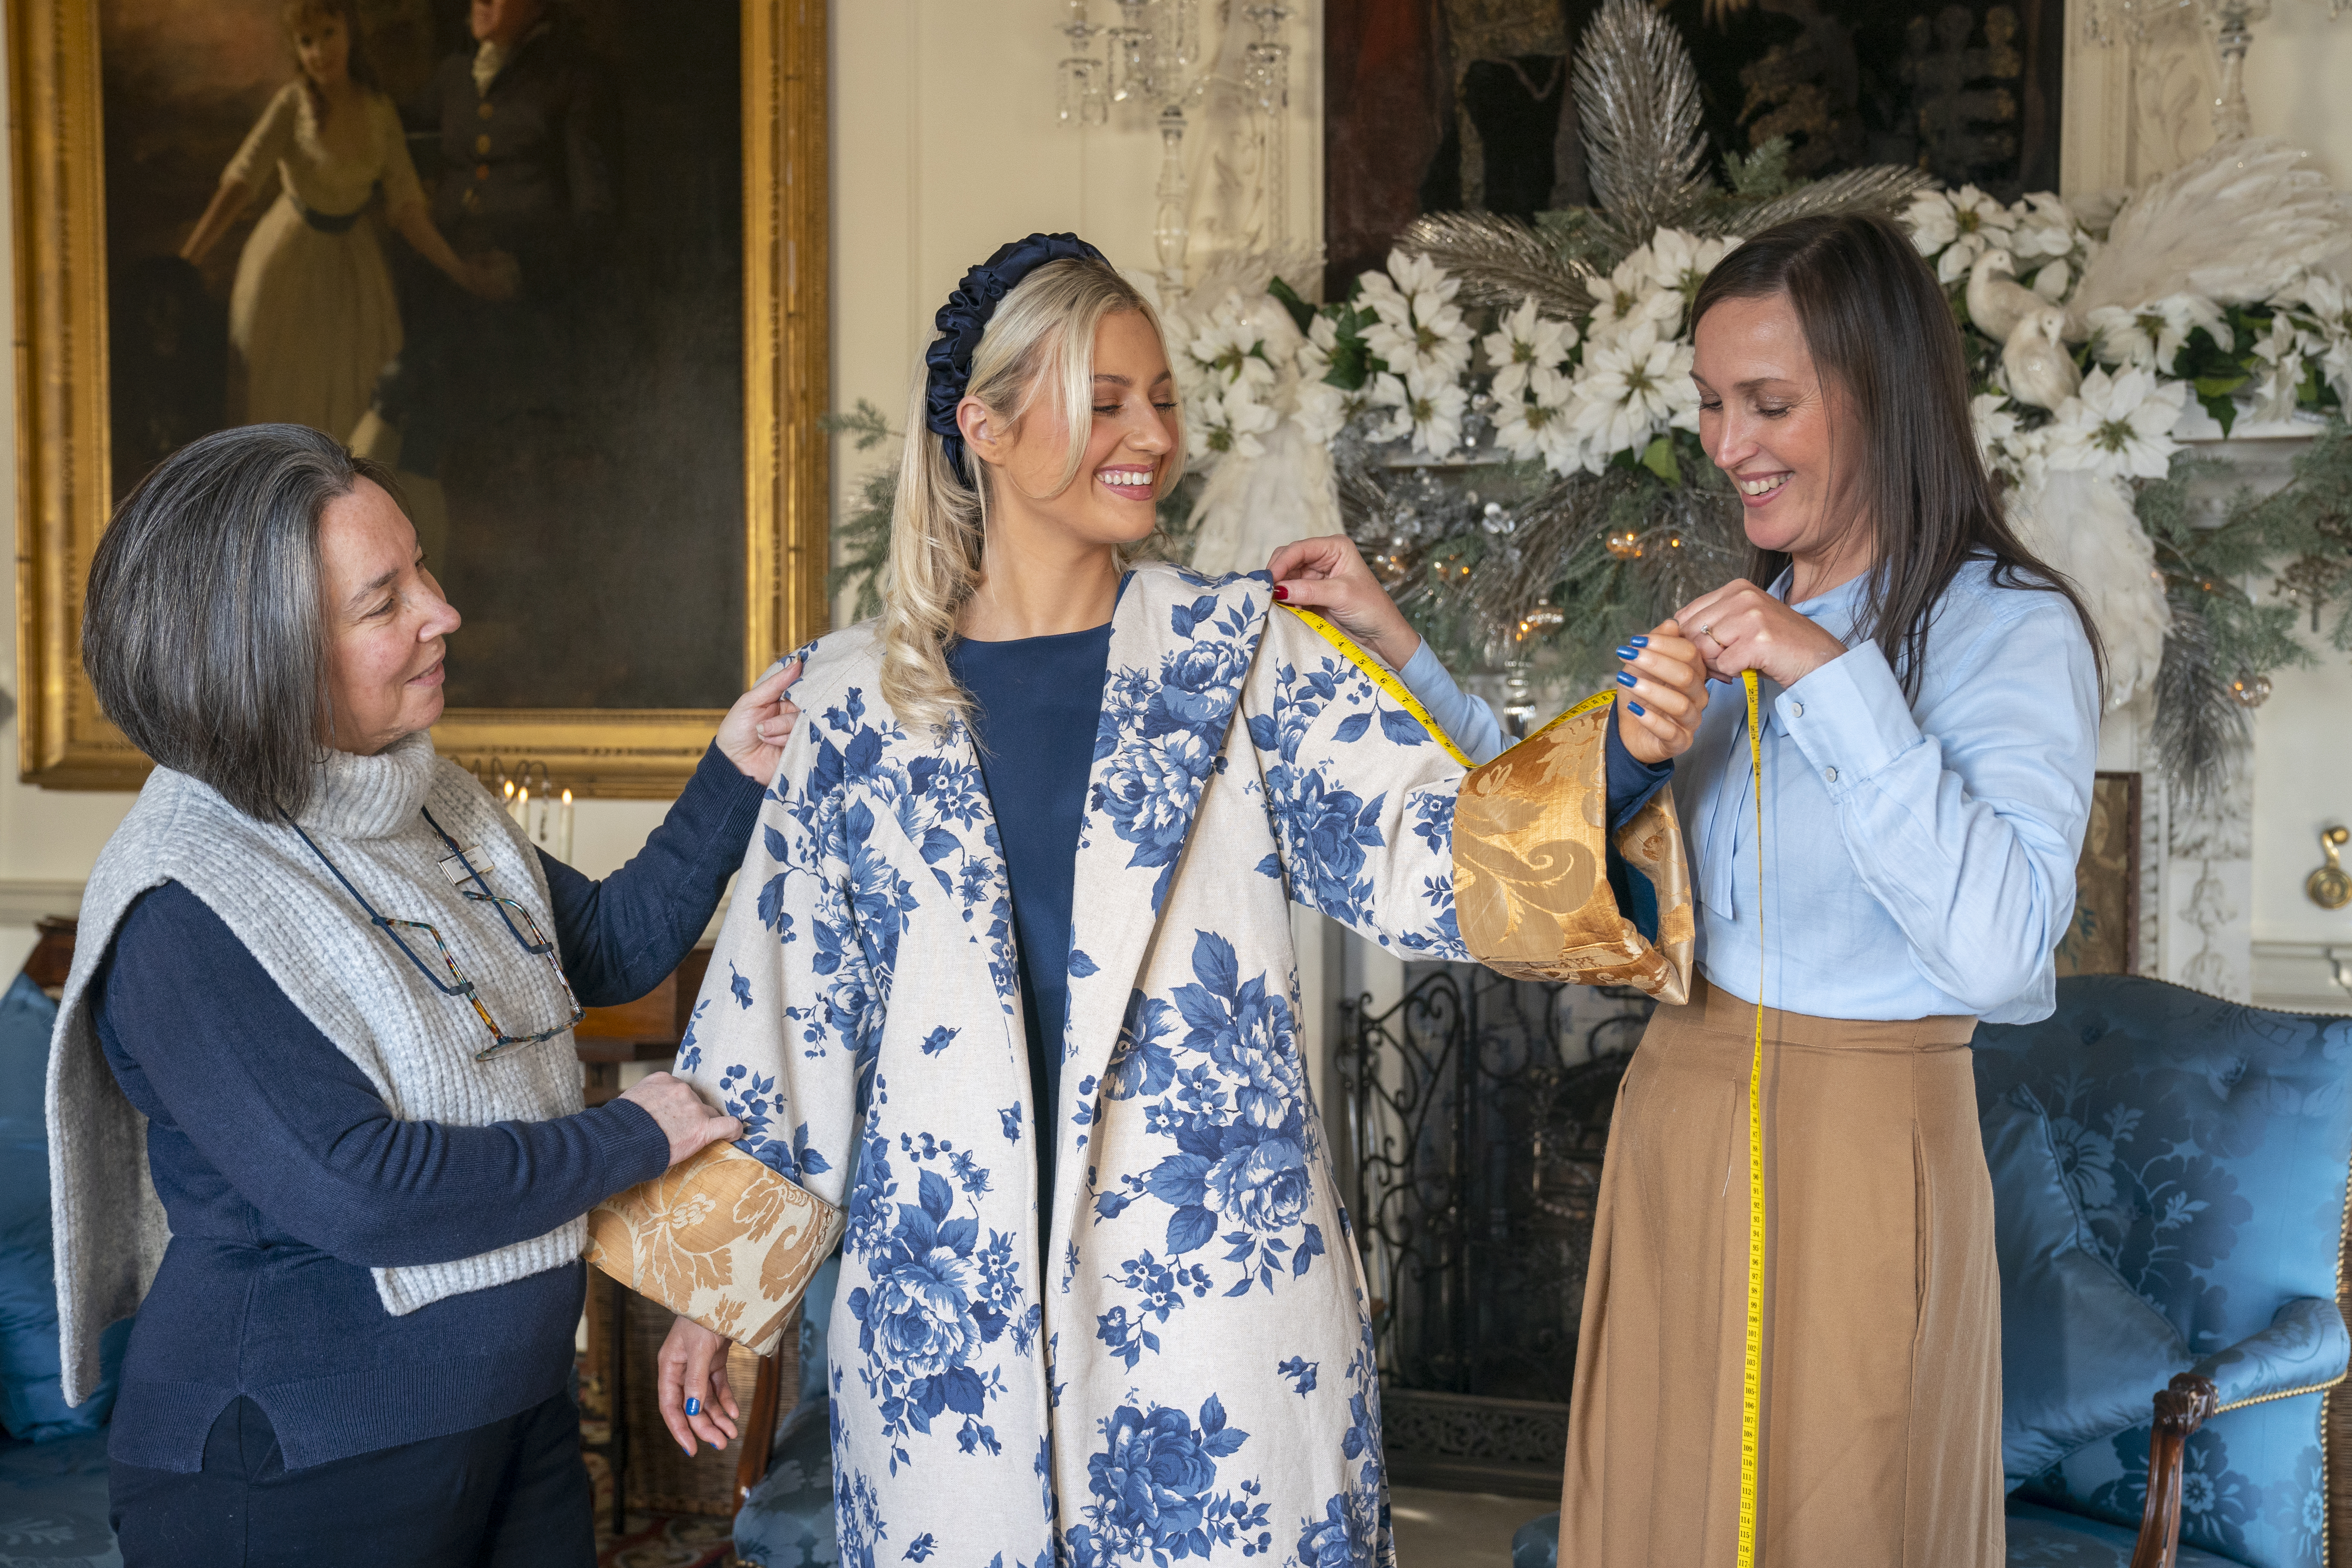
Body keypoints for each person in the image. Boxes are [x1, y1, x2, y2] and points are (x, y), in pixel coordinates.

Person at [645, 234, 1711, 1568]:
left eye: (1159, 397)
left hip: (1215, 1304)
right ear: (984, 424)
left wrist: (1622, 757)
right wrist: (714, 1295)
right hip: (942, 1311)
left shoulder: (1243, 654)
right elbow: (779, 1003)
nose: (1151, 432)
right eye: (1105, 401)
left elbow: (1427, 843)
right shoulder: (851, 702)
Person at [1285, 210, 2102, 1565]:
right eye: (1714, 403)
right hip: (1677, 1132)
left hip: (1872, 1154)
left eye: (1768, 402)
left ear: (1883, 397)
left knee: (1851, 1516)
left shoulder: (2007, 626)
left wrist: (1827, 677)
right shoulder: (1721, 624)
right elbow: (1536, 824)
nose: (1729, 443)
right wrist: (1396, 639)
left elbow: (2000, 949)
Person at [47, 423, 804, 1566]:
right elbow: (364, 1190)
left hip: (512, 1416)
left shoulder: (428, 796)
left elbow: (601, 946)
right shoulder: (184, 902)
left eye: (422, 568)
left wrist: (735, 767)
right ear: (263, 655)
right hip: (299, 1467)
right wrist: (629, 1138)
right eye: (383, 597)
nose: (441, 611)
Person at [178, 0, 509, 441]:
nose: (319, 52)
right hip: (288, 263)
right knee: (286, 398)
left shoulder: (378, 110)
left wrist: (459, 270)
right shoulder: (292, 104)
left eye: (328, 33)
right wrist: (186, 260)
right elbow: (243, 180)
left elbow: (407, 207)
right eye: (306, 41)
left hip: (354, 272)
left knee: (352, 407)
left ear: (350, 31)